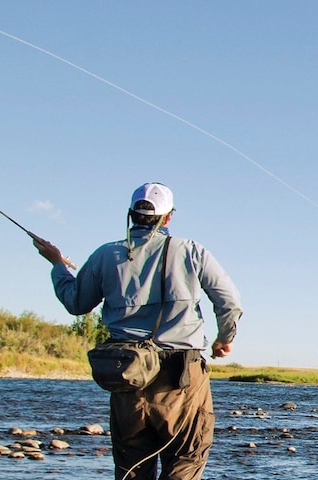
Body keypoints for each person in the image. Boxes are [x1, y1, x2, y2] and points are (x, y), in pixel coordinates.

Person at [34, 182, 241, 480]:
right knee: (185, 460)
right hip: (180, 378)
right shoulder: (192, 251)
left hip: (126, 377)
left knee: (132, 468)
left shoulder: (105, 255)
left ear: (131, 215)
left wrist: (57, 264)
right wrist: (225, 338)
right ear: (168, 217)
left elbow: (76, 303)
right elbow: (229, 302)